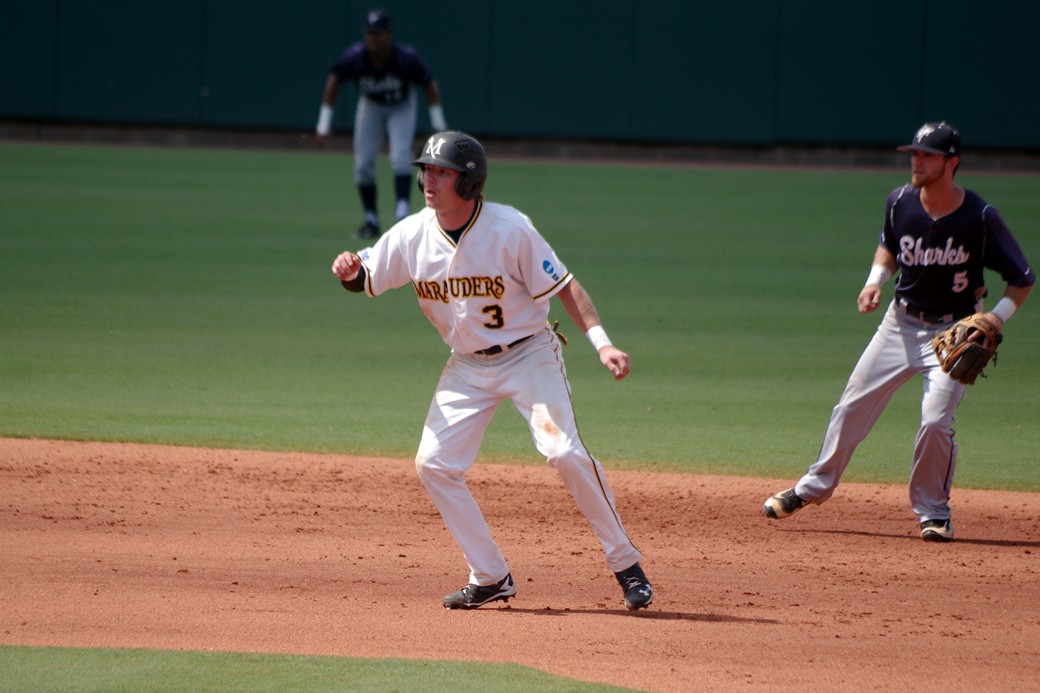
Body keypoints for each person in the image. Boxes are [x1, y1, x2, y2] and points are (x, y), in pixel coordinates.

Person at [330, 131, 653, 610]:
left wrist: (602, 344)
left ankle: (626, 565)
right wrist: (350, 270)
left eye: (441, 172)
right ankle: (490, 575)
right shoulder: (412, 233)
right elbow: (366, 275)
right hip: (466, 366)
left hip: (529, 355)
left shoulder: (510, 228)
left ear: (468, 181)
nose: (428, 180)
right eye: (426, 170)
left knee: (564, 452)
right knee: (434, 464)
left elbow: (564, 285)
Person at [763, 122, 1034, 542]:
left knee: (936, 421)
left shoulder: (979, 217)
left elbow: (1022, 279)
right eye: (915, 154)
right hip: (899, 324)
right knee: (851, 407)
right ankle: (811, 488)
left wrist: (996, 318)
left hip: (953, 332)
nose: (917, 161)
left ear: (951, 162)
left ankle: (934, 513)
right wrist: (875, 280)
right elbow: (890, 246)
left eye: (927, 155)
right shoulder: (900, 201)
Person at [316, 8, 447, 240]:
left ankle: (402, 216)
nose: (372, 38)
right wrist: (323, 124)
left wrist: (438, 124)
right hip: (371, 106)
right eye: (369, 33)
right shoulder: (356, 56)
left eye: (377, 33)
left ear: (389, 34)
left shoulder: (405, 57)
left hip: (401, 105)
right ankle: (371, 220)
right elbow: (334, 80)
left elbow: (429, 83)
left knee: (400, 156)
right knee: (363, 165)